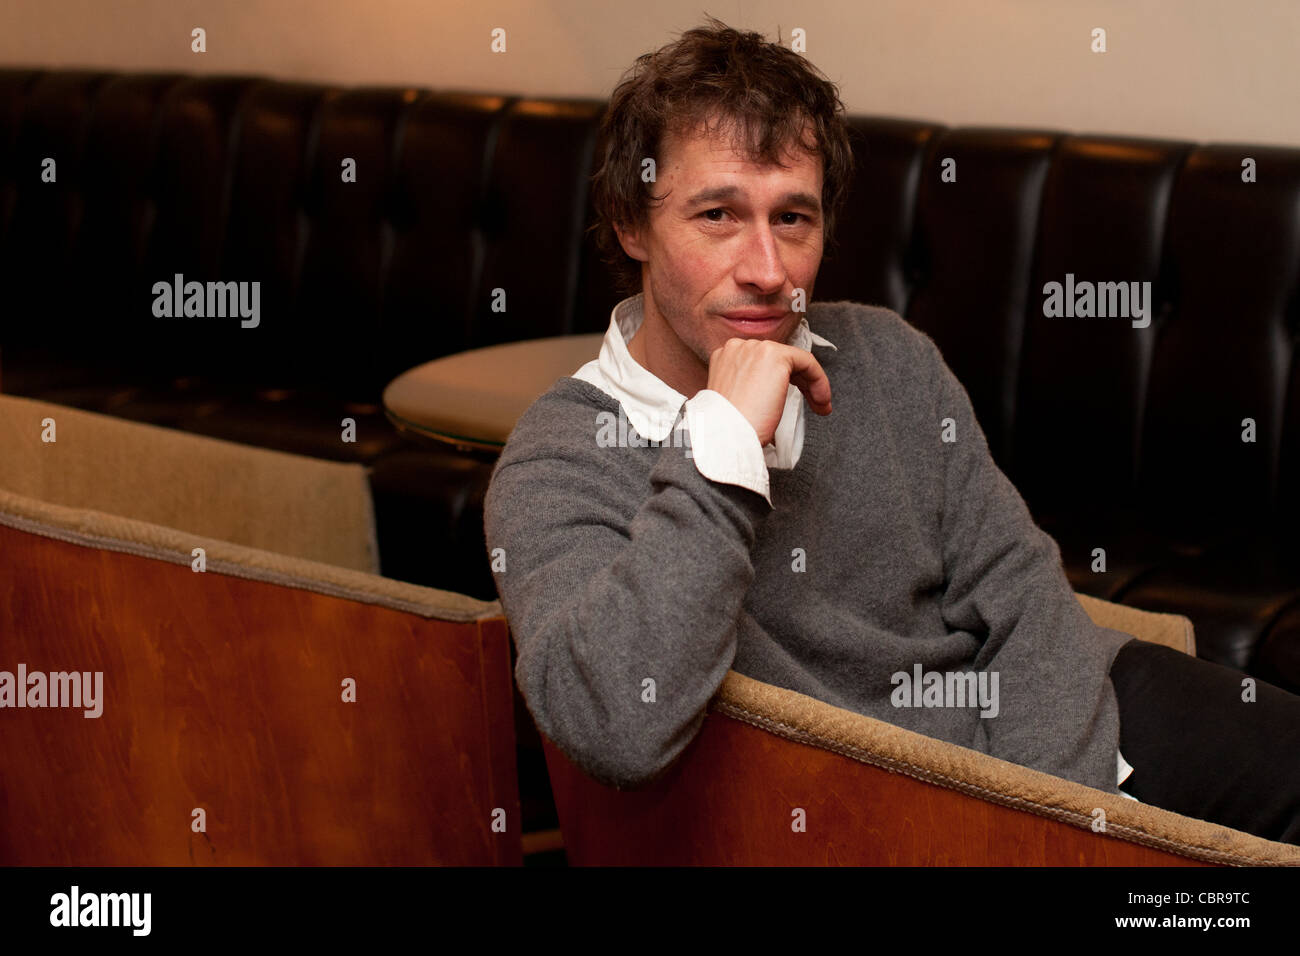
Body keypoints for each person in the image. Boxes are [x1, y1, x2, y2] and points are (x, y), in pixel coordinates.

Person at [483, 16, 1300, 846]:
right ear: (632, 224)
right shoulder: (559, 459)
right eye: (719, 215)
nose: (768, 270)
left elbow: (1020, 591)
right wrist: (722, 442)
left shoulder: (886, 357)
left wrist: (1060, 824)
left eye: (793, 220)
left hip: (1048, 730)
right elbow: (613, 725)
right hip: (859, 808)